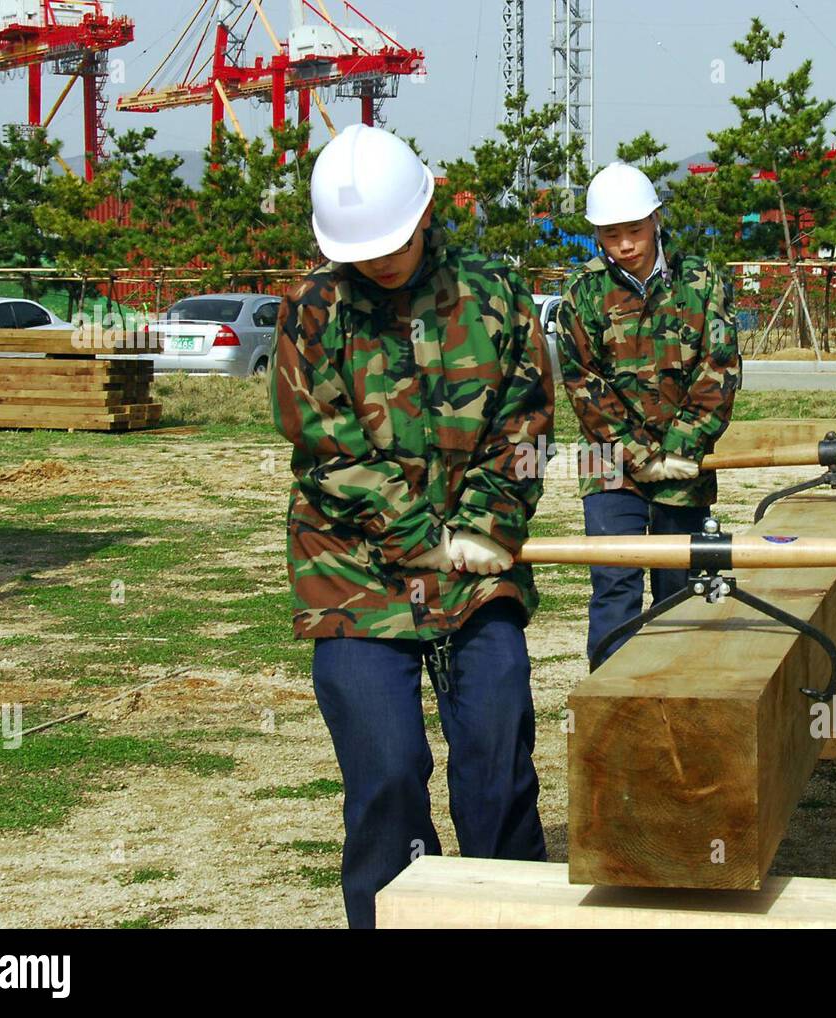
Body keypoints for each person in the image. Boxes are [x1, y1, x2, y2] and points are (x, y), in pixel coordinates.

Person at [269, 124, 552, 927]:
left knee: (496, 761)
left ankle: (510, 913)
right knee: (386, 773)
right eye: (363, 248)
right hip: (352, 570)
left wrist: (489, 521)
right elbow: (326, 447)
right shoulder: (311, 312)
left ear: (426, 209)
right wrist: (417, 536)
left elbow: (525, 421)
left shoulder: (495, 296)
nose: (381, 260)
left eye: (392, 241)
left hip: (475, 565)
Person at [556, 161, 741, 665]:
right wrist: (640, 457)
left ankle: (676, 697)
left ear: (656, 220)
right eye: (610, 234)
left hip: (685, 464)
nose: (625, 245)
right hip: (611, 467)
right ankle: (610, 702)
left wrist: (681, 449)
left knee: (679, 584)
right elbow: (583, 384)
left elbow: (719, 367)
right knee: (615, 582)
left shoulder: (700, 280)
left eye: (634, 230)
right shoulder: (581, 294)